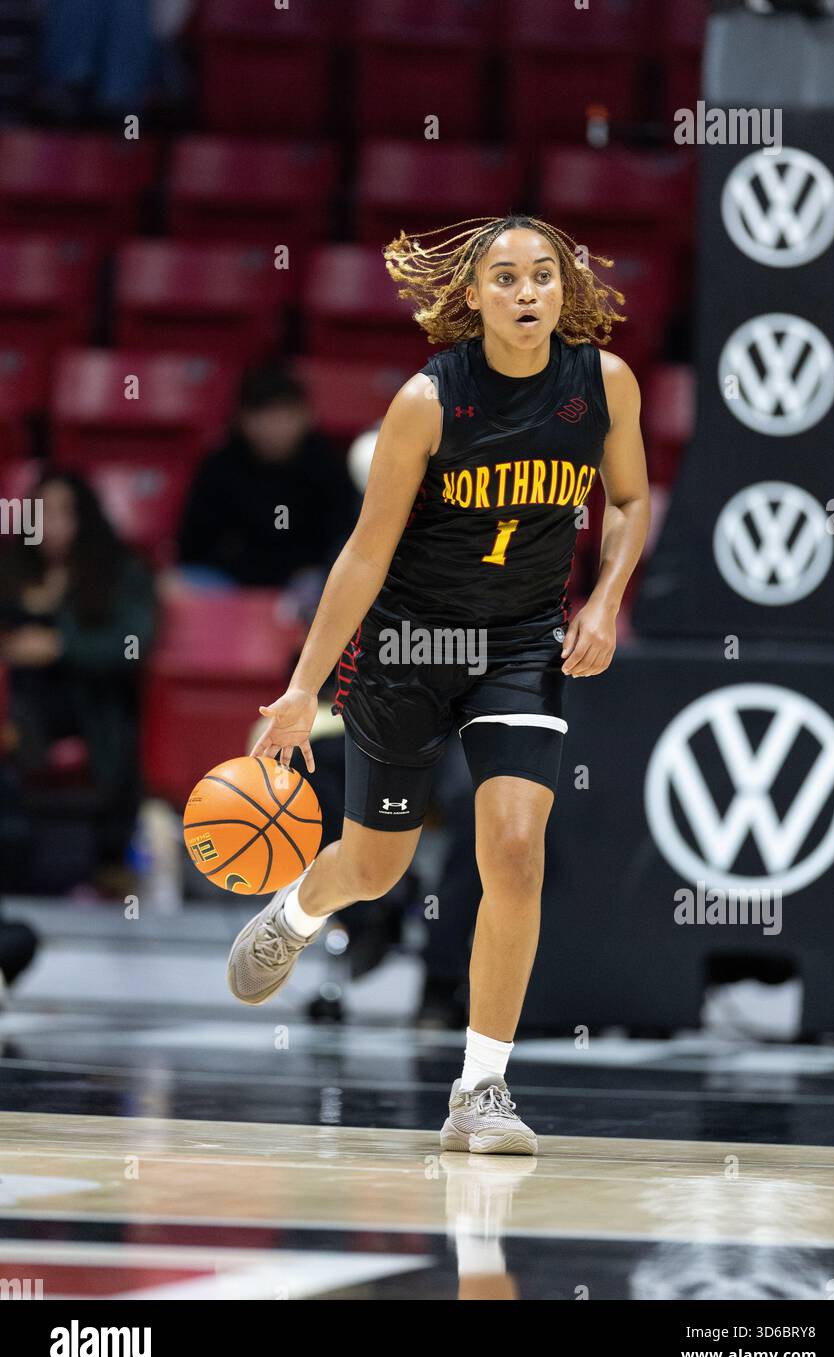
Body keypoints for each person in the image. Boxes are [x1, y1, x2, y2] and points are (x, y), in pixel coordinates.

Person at [226, 215, 650, 1156]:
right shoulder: (427, 401)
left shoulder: (602, 384)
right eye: (507, 278)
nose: (529, 291)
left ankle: (480, 1089)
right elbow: (364, 553)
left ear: (566, 290)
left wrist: (605, 599)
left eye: (545, 275)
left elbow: (627, 502)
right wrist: (303, 689)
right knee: (375, 866)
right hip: (411, 644)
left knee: (513, 844)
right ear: (474, 298)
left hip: (521, 644)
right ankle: (300, 910)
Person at [0, 469, 157, 890]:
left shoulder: (119, 573)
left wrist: (59, 646)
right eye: (43, 512)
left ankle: (104, 857)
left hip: (93, 707)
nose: (53, 524)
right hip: (17, 705)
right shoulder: (9, 572)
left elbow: (131, 645)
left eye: (65, 513)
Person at [176, 363, 359, 602]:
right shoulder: (219, 466)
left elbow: (340, 543)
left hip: (305, 585)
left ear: (305, 416)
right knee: (179, 584)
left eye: (284, 415)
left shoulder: (327, 467)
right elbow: (194, 546)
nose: (273, 427)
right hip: (230, 582)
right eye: (262, 415)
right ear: (242, 419)